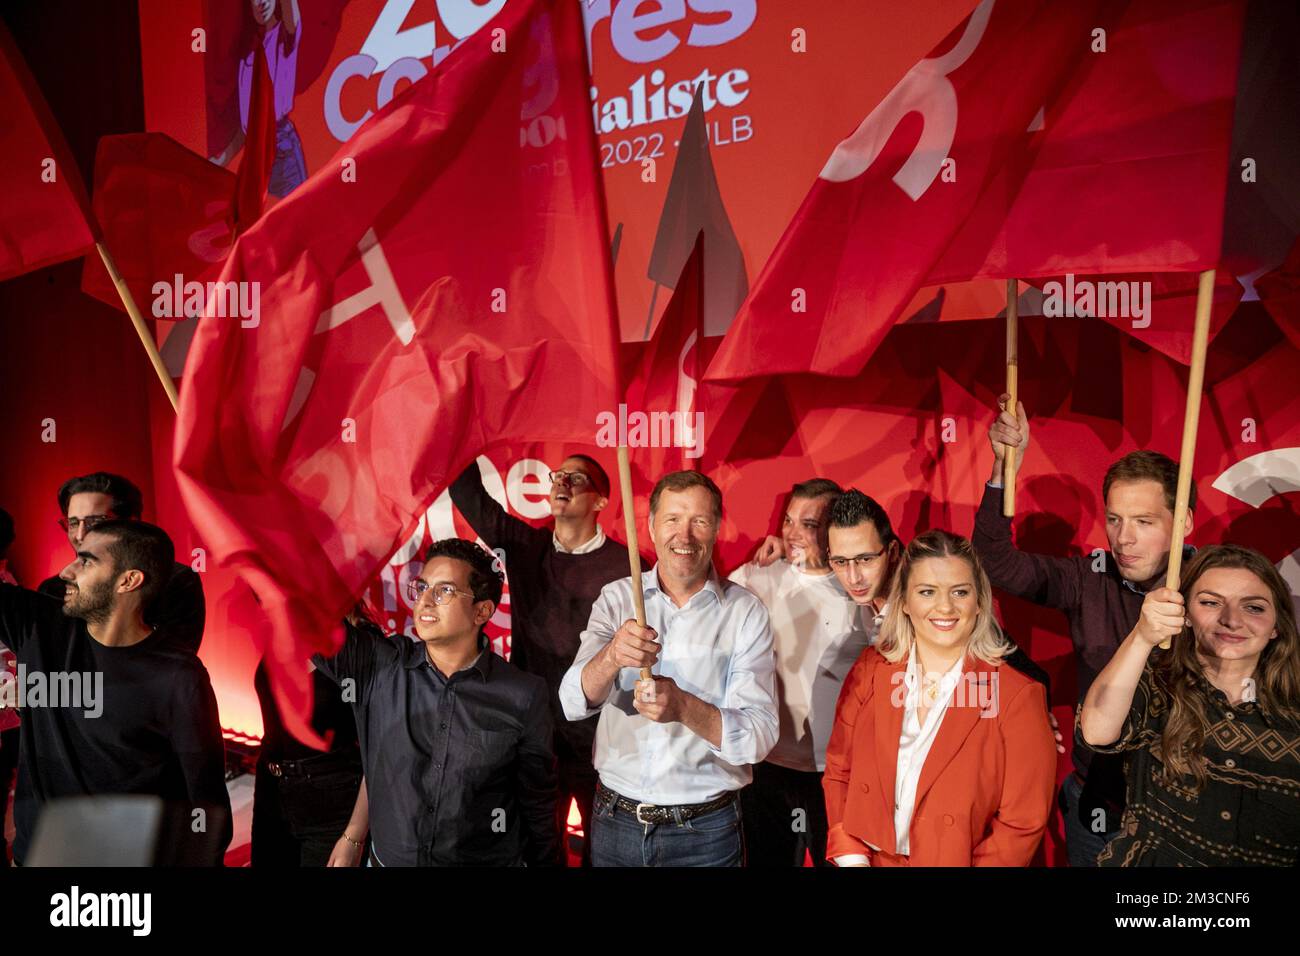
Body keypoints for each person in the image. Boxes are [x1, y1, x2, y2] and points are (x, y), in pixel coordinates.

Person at [974, 393, 1194, 864]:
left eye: (1143, 521)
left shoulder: (1215, 589)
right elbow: (995, 564)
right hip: (1098, 803)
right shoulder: (1088, 577)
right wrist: (1002, 470)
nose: (1124, 538)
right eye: (1114, 519)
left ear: (1184, 524)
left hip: (1186, 808)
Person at [560, 470, 778, 867]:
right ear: (651, 526)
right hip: (614, 823)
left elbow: (759, 738)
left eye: (699, 521)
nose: (685, 535)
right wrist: (612, 656)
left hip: (706, 832)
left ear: (716, 528)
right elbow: (572, 701)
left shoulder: (745, 612)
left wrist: (683, 708)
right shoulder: (616, 599)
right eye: (673, 519)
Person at [313, 538, 558, 866]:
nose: (425, 601)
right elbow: (303, 616)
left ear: (482, 611)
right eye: (423, 586)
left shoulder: (523, 695)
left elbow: (537, 808)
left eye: (444, 591)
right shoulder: (380, 668)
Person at [0, 520, 231, 865]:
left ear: (128, 580)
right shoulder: (40, 625)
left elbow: (206, 801)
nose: (66, 570)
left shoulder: (178, 677)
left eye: (87, 561)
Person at [823, 530, 1057, 866]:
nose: (945, 607)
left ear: (979, 602)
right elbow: (839, 771)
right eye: (927, 592)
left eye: (960, 592)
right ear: (904, 600)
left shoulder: (1016, 695)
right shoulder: (870, 670)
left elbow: (1022, 823)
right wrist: (852, 860)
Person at [449, 454, 630, 865]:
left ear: (600, 501)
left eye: (576, 478)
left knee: (602, 854)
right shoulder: (525, 546)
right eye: (557, 476)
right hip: (535, 735)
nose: (561, 483)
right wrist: (458, 423)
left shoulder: (628, 566)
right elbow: (468, 494)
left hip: (601, 742)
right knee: (537, 850)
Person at [1078, 544, 1300, 866]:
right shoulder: (1157, 679)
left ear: (1277, 625)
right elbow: (1097, 731)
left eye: (1253, 607)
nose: (1231, 620)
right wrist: (1142, 636)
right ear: (1185, 614)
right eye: (1210, 603)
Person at [730, 478, 869, 867]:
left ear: (835, 530)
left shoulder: (860, 591)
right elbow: (703, 610)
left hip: (838, 775)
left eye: (808, 524)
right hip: (767, 769)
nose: (791, 533)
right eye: (789, 520)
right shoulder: (756, 578)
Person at [251, 604, 380, 868]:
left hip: (333, 802)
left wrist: (354, 835)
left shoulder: (363, 643)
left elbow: (379, 748)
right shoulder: (282, 626)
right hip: (271, 794)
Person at [39, 472, 205, 655]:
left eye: (95, 522)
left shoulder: (176, 581)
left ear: (131, 522)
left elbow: (174, 664)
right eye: (72, 523)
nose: (80, 535)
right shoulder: (53, 590)